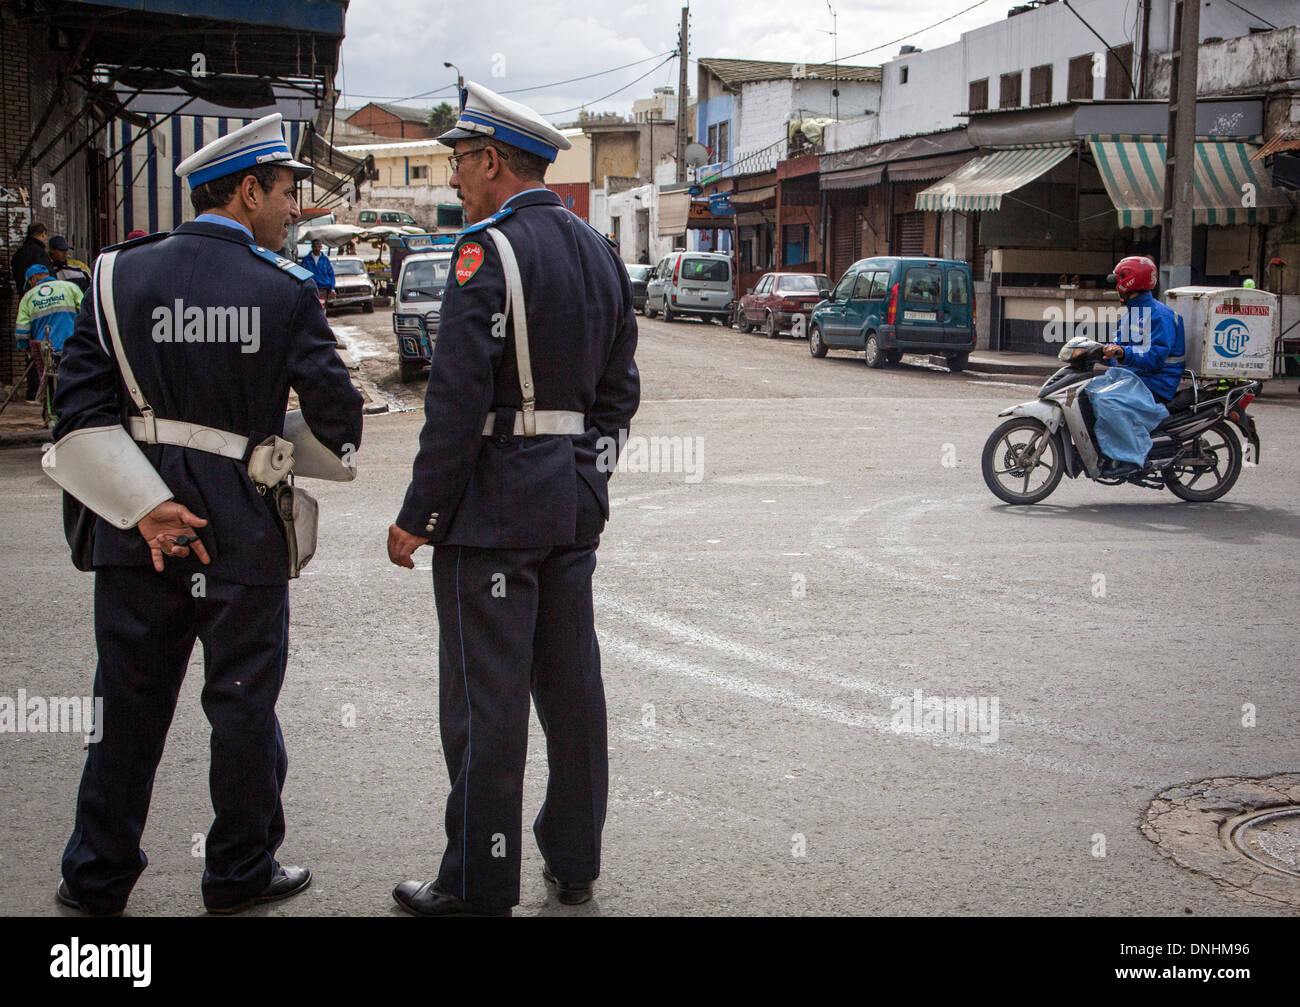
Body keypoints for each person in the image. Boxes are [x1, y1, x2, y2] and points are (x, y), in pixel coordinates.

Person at [48, 113, 363, 916]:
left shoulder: (116, 276)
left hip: (137, 536)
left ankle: (95, 878)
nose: (293, 209)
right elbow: (340, 417)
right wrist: (271, 442)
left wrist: (148, 505)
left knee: (123, 713)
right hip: (242, 535)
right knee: (243, 709)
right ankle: (238, 871)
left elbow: (78, 411)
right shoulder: (284, 288)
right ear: (249, 189)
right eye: (287, 192)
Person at [387, 81, 640, 916]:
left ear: (492, 160)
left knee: (483, 708)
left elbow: (455, 408)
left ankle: (475, 885)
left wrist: (419, 516)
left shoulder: (483, 251)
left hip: (494, 514)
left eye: (460, 160)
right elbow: (618, 393)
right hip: (569, 504)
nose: (454, 177)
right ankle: (574, 860)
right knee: (573, 695)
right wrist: (591, 474)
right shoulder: (598, 251)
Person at [1088, 255, 1185, 475]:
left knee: (1107, 400)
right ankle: (1105, 450)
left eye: (1119, 281)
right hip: (1133, 378)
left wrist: (1123, 353)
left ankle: (1131, 456)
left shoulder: (1161, 315)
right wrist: (1100, 352)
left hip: (1155, 383)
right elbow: (1119, 346)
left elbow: (1154, 357)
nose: (1116, 287)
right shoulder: (1132, 313)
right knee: (1088, 391)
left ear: (1129, 282)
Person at [15, 263, 83, 406]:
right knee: (74, 378)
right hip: (73, 344)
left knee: (49, 383)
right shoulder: (70, 288)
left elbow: (22, 332)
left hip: (45, 349)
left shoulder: (28, 297)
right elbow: (87, 314)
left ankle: (51, 411)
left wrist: (26, 348)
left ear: (32, 279)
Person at [10, 222, 52, 296]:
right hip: (39, 296)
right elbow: (46, 275)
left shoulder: (19, 253)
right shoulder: (40, 253)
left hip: (23, 295)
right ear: (43, 234)